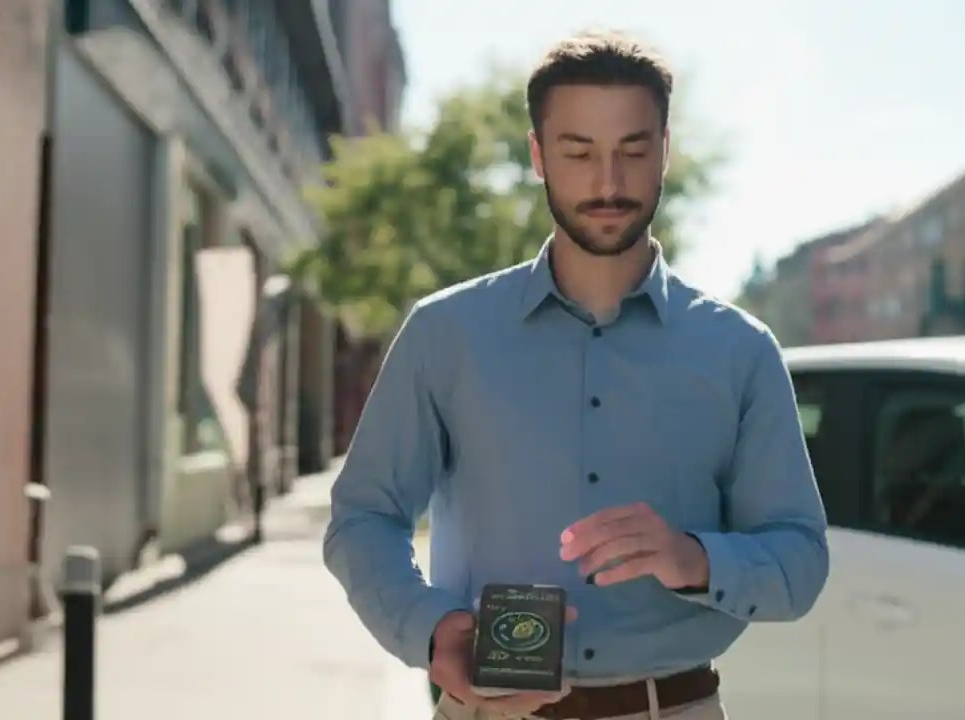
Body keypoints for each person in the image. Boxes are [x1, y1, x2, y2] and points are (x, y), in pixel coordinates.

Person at [323, 29, 830, 720]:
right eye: (579, 152)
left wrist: (694, 559)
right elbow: (364, 517)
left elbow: (799, 560)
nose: (608, 183)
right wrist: (431, 626)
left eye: (632, 150)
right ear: (538, 156)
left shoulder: (740, 351)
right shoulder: (446, 335)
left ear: (664, 153)